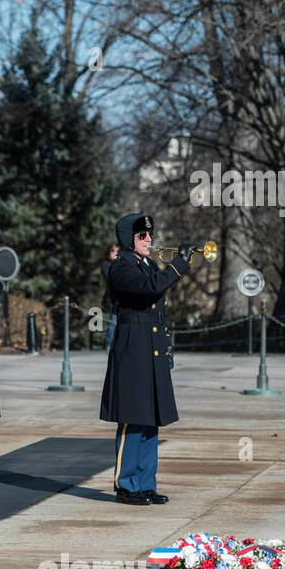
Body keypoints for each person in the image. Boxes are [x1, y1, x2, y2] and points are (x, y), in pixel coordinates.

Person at [99, 213, 194, 505]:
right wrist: (178, 265)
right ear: (130, 239)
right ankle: (127, 484)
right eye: (143, 236)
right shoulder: (121, 267)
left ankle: (145, 483)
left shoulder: (149, 264)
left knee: (150, 418)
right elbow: (149, 288)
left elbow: (158, 305)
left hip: (150, 344)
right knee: (132, 417)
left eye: (150, 235)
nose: (150, 240)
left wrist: (165, 344)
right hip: (132, 346)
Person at [100, 243, 119, 350]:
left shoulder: (121, 263)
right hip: (113, 297)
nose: (114, 253)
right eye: (112, 250)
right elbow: (110, 278)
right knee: (113, 322)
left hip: (124, 297)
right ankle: (108, 344)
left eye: (116, 251)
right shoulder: (106, 264)